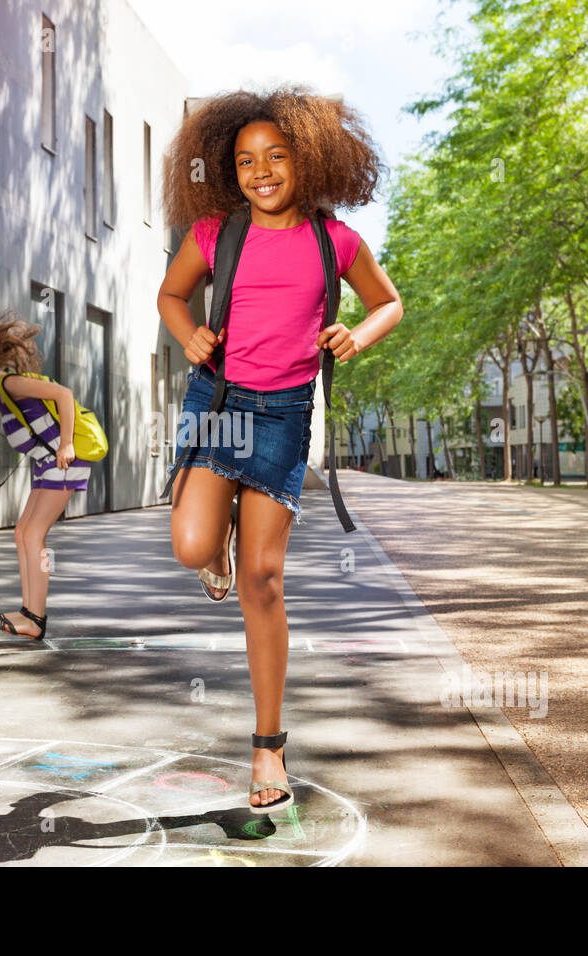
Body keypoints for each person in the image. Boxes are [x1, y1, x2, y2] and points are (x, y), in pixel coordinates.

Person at [156, 88, 403, 812]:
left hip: (287, 416)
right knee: (189, 544)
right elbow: (171, 297)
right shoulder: (212, 233)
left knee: (264, 583)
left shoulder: (339, 243)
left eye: (277, 157)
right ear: (229, 171)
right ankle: (215, 553)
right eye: (245, 161)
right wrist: (189, 334)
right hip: (220, 403)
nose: (261, 171)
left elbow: (389, 302)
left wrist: (358, 334)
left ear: (309, 159)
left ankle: (268, 747)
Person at [0, 313, 91, 640]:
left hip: (65, 461)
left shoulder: (9, 382)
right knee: (23, 531)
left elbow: (63, 394)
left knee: (34, 533)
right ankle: (28, 612)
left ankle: (35, 617)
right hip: (47, 464)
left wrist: (66, 443)